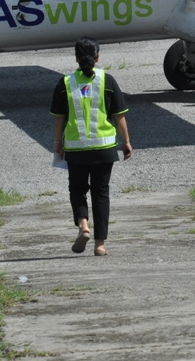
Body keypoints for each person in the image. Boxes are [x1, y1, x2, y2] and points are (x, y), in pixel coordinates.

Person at [51, 37, 133, 256]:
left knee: (77, 189)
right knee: (101, 194)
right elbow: (119, 115)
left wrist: (58, 144)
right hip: (104, 148)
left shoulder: (65, 83)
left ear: (76, 58)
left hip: (76, 150)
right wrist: (126, 141)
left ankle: (83, 224)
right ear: (98, 57)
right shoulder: (108, 80)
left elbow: (59, 118)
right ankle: (99, 245)